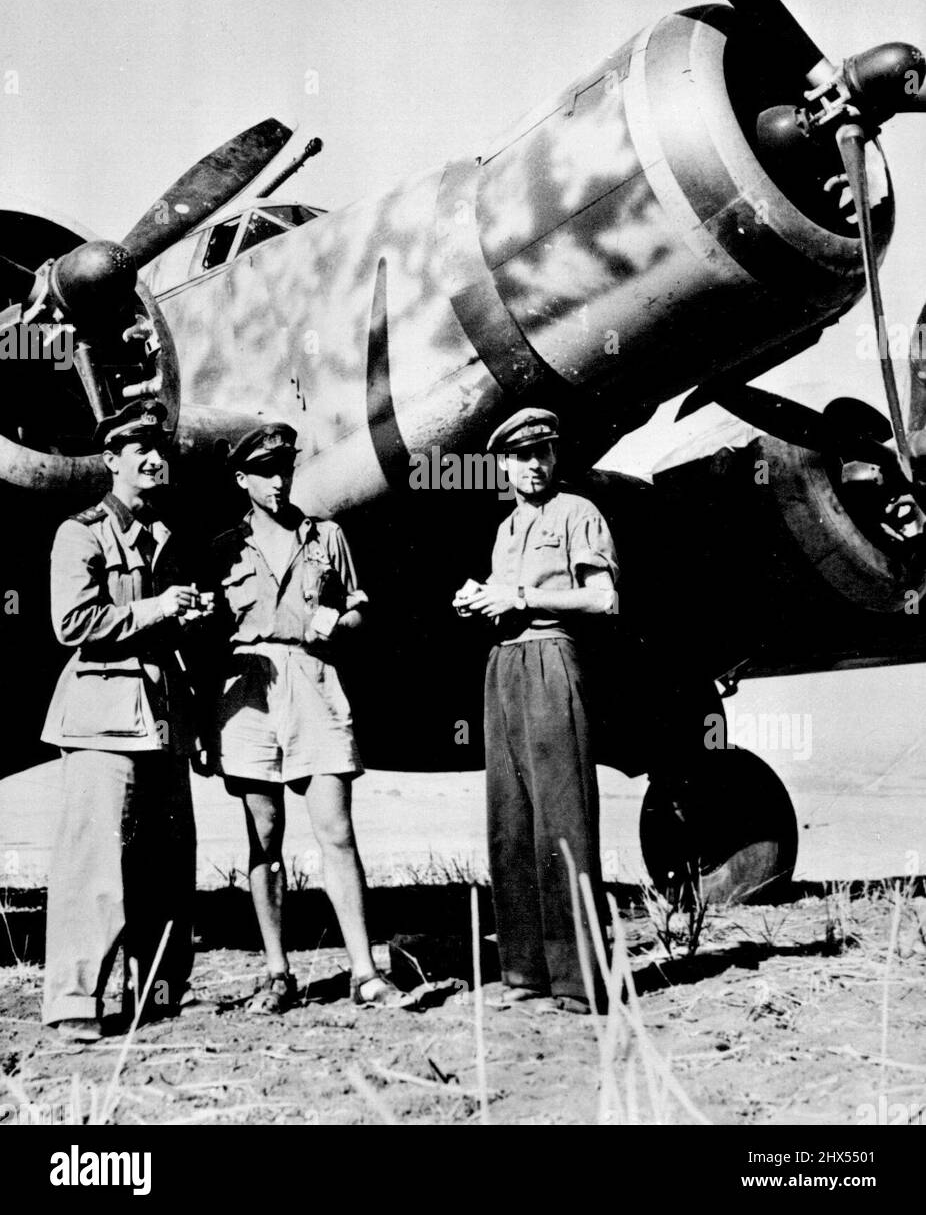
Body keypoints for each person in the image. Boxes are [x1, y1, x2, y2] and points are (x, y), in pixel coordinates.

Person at [213, 422, 407, 1011]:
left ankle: (365, 972)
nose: (279, 480)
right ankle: (277, 973)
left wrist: (339, 625)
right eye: (265, 471)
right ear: (243, 480)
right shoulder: (223, 546)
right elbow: (206, 637)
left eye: (286, 468)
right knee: (264, 839)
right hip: (247, 687)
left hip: (316, 681)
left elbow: (359, 610)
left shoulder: (327, 535)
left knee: (337, 832)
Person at [41, 400, 214, 1042]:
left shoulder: (167, 535)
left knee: (166, 861)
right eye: (137, 447)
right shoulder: (79, 533)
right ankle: (73, 1001)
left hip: (162, 714)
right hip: (101, 717)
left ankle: (160, 992)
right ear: (111, 461)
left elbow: (167, 624)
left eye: (159, 446)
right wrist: (158, 609)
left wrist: (189, 613)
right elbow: (72, 623)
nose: (152, 457)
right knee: (94, 861)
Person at [453, 407, 618, 1014]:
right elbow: (505, 601)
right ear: (503, 465)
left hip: (552, 658)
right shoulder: (505, 528)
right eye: (522, 456)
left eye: (544, 452)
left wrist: (520, 595)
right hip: (505, 664)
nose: (535, 465)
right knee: (510, 821)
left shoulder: (578, 513)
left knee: (562, 818)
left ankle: (578, 982)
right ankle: (523, 972)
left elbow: (603, 598)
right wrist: (480, 602)